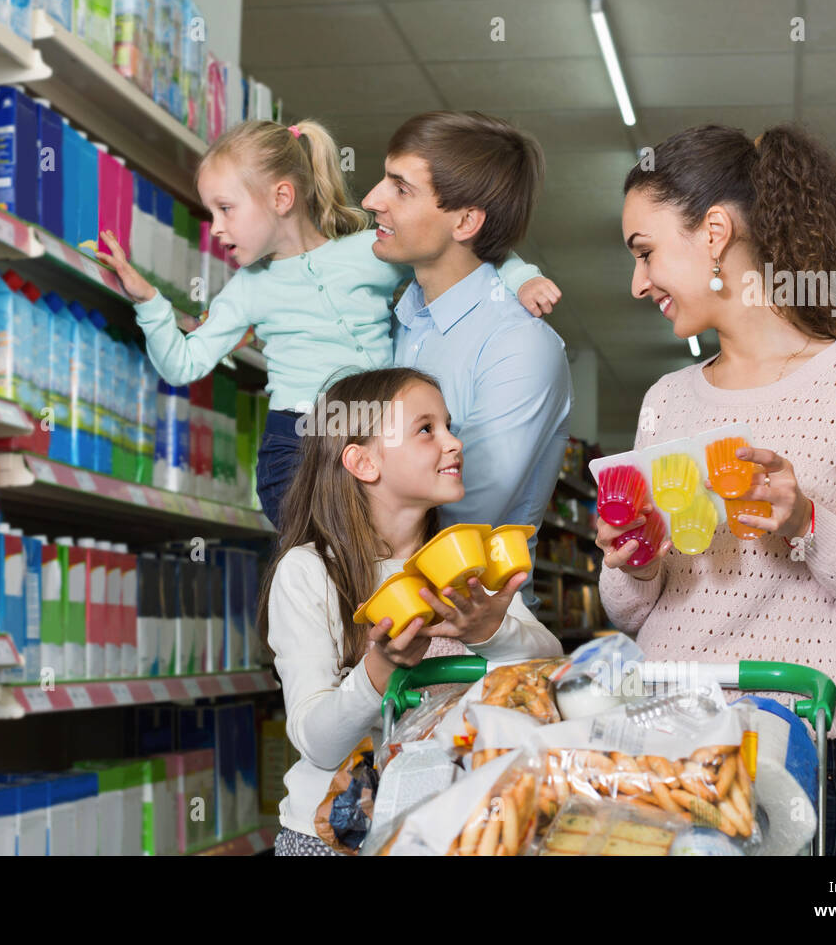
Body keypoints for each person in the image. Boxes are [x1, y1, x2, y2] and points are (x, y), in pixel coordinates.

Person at [600, 122, 836, 856]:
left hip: (805, 765)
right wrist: (633, 561)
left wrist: (807, 523)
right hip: (663, 752)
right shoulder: (666, 400)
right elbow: (630, 611)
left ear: (716, 233)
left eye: (645, 252)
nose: (637, 283)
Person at [94, 118, 560, 528]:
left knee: (371, 557)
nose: (215, 228)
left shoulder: (370, 251)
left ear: (281, 197)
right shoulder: (245, 290)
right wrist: (150, 303)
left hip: (372, 436)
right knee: (322, 566)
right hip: (297, 443)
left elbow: (468, 250)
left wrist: (523, 279)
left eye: (226, 209)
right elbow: (182, 365)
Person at [259, 367, 562, 855]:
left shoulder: (471, 557)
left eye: (450, 427)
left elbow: (549, 664)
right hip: (335, 840)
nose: (453, 443)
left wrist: (491, 630)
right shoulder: (308, 571)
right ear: (362, 462)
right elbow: (316, 741)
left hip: (454, 829)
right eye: (427, 430)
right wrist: (379, 669)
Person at [362, 111, 572, 610]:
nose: (372, 200)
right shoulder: (396, 322)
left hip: (469, 639)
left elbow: (461, 511)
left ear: (465, 221)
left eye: (401, 189)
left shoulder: (521, 344)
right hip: (377, 612)